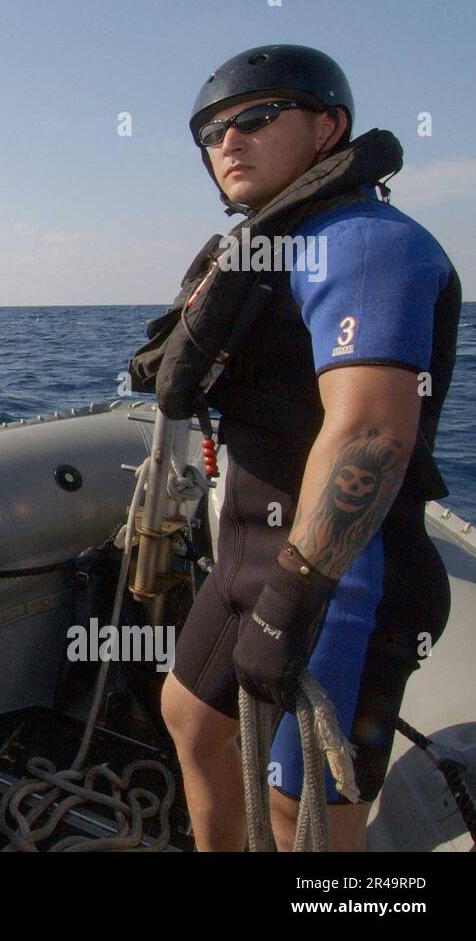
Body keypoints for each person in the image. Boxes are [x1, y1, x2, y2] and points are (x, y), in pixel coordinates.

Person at [140, 45, 461, 852]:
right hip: (248, 557)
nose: (229, 141)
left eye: (255, 117)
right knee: (189, 717)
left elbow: (371, 433)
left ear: (329, 128)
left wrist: (295, 597)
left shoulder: (361, 243)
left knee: (303, 819)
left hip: (342, 582)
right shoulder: (255, 253)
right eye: (210, 132)